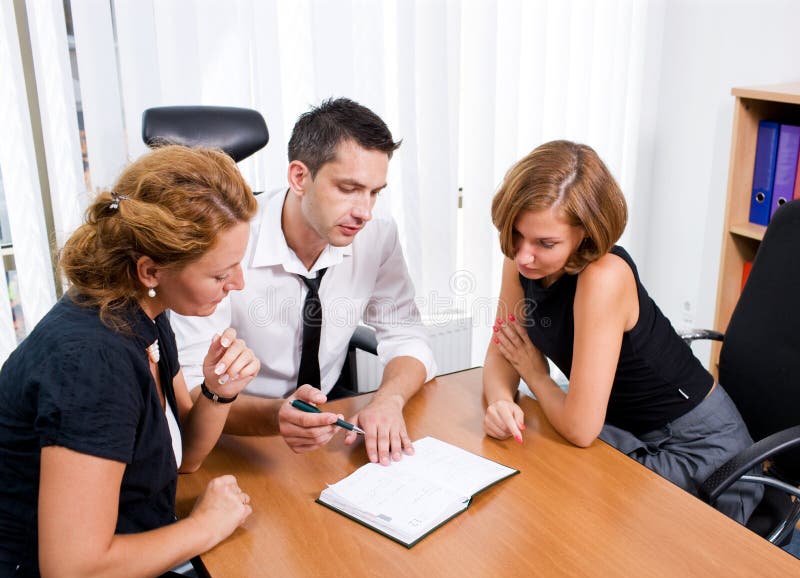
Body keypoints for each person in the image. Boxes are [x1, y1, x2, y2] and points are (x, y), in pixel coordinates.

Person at [0, 145, 261, 578]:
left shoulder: (145, 315)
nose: (238, 283)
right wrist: (206, 526)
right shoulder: (93, 364)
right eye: (221, 274)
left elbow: (185, 460)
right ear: (150, 269)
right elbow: (74, 575)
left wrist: (219, 391)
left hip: (134, 553)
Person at [482, 140, 762, 525]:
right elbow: (503, 350)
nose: (523, 254)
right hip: (620, 428)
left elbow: (580, 429)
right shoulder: (520, 263)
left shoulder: (603, 277)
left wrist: (534, 375)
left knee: (568, 510)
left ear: (585, 233)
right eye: (517, 234)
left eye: (545, 243)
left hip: (700, 451)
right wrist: (501, 402)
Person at [172, 98, 436, 466]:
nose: (365, 212)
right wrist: (273, 416)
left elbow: (407, 335)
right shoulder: (225, 243)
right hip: (234, 436)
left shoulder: (377, 235)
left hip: (326, 432)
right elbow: (189, 391)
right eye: (348, 188)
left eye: (375, 192)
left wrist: (388, 400)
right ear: (299, 177)